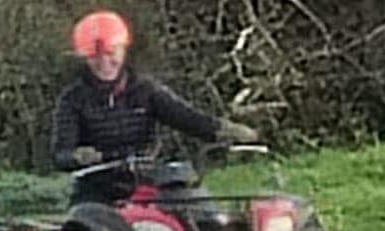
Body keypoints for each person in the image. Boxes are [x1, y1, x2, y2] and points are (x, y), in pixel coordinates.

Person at [50, 11, 259, 184]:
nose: (104, 62)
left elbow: (186, 118)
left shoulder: (145, 90)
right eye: (95, 56)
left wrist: (224, 131)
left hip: (147, 179)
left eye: (111, 52)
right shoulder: (72, 100)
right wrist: (78, 156)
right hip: (97, 187)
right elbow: (61, 154)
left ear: (123, 50)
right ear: (85, 58)